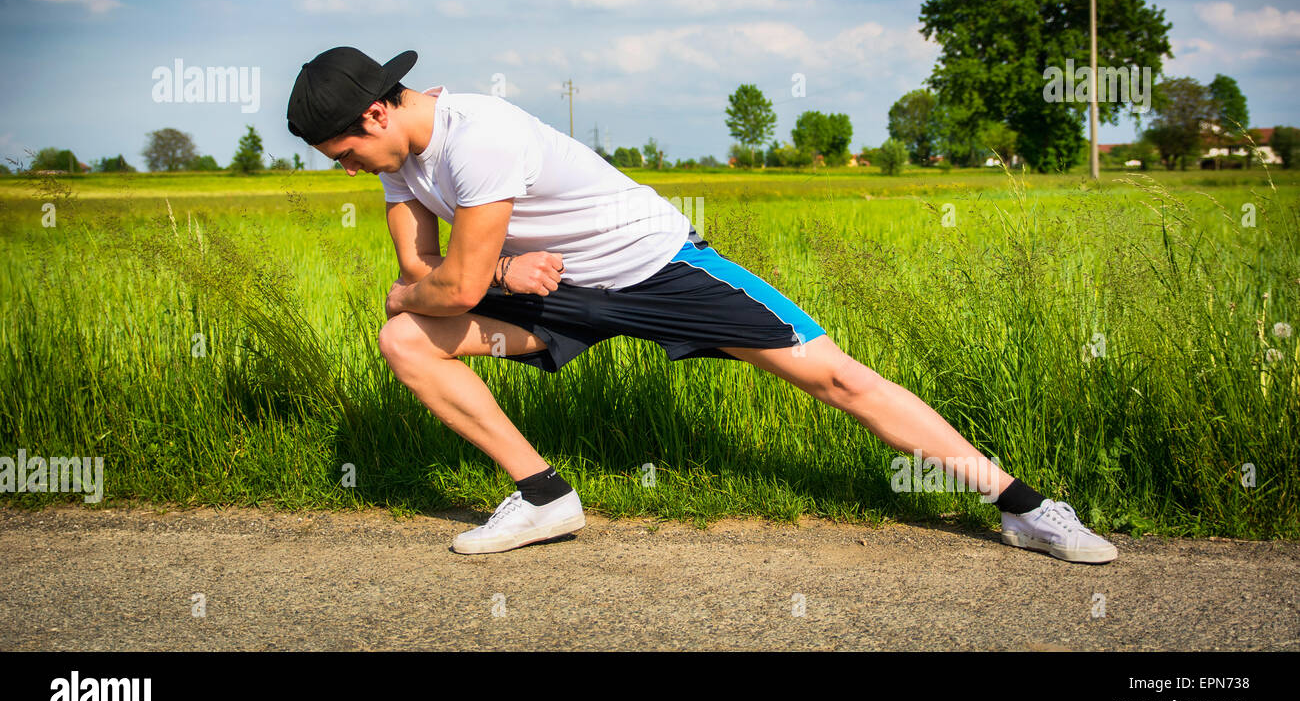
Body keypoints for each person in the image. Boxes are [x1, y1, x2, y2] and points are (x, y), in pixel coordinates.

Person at [287, 46, 1118, 563]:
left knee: (835, 377)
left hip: (658, 270)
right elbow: (417, 277)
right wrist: (484, 274)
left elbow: (448, 282)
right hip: (564, 297)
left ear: (378, 110)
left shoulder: (480, 137)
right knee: (407, 340)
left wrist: (472, 276)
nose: (349, 170)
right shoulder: (402, 158)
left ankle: (1024, 508)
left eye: (348, 151)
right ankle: (545, 498)